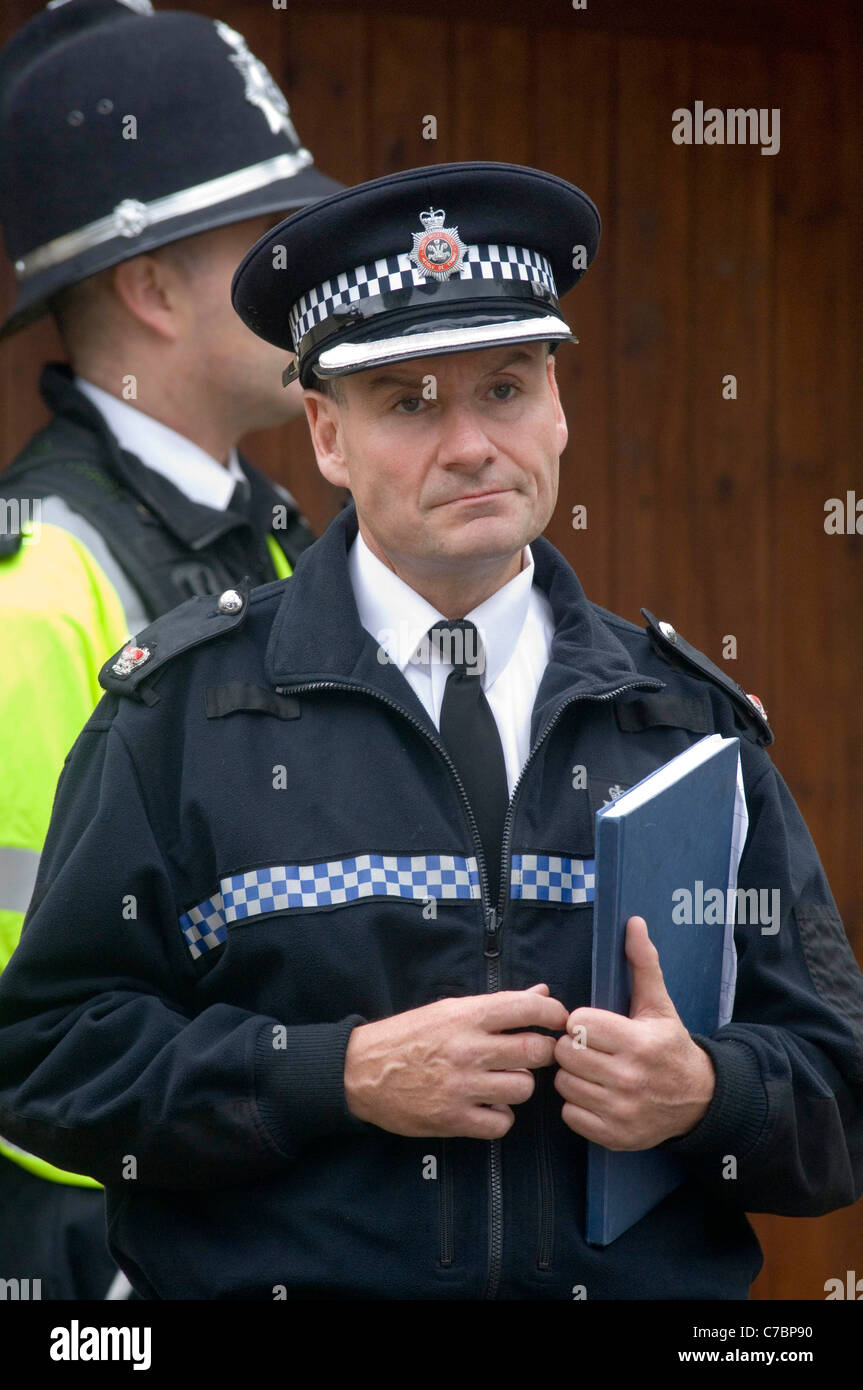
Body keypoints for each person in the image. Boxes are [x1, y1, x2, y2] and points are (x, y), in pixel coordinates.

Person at [0, 160, 861, 1300]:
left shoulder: (686, 723)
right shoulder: (173, 717)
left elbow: (836, 1099)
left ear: (557, 408)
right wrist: (334, 1072)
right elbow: (48, 1063)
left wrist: (708, 1093)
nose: (467, 444)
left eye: (503, 388)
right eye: (407, 401)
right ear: (324, 432)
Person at [0, 0, 341, 1298]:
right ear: (148, 288)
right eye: (271, 241)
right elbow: (37, 1040)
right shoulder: (39, 591)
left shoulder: (270, 538)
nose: (310, 273)